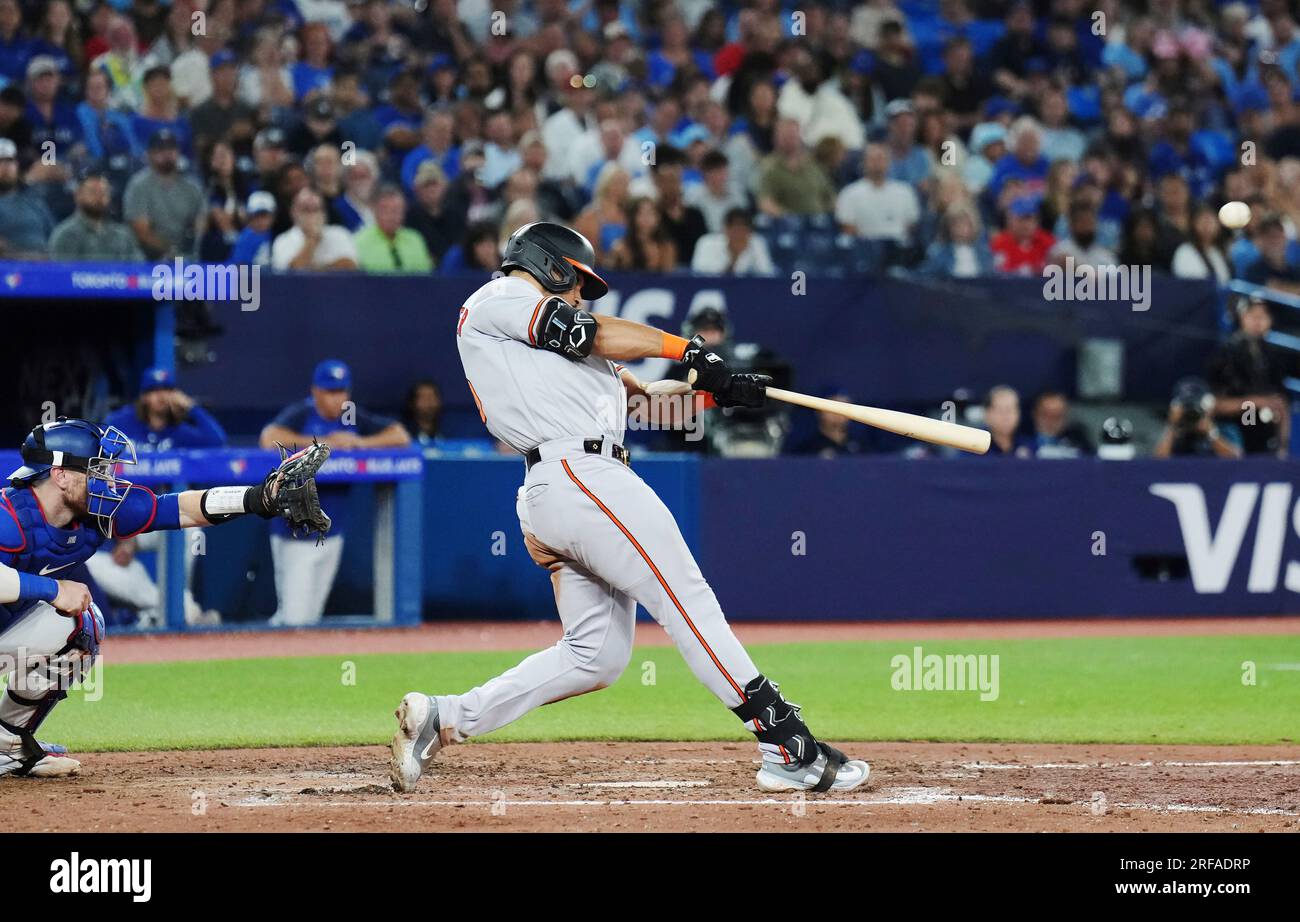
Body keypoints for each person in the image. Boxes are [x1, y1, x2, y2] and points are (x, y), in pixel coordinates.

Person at [390, 221, 869, 795]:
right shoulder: (503, 299)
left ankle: (444, 718)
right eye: (576, 284)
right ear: (550, 265)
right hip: (579, 476)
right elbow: (587, 331)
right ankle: (786, 743)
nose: (578, 296)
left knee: (596, 656)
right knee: (684, 596)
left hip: (572, 483)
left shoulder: (557, 353)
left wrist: (720, 390)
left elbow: (645, 400)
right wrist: (689, 349)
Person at [0, 418, 327, 777]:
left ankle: (7, 742)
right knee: (67, 607)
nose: (107, 480)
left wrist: (256, 498)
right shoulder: (9, 516)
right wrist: (54, 589)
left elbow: (179, 509)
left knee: (83, 626)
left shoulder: (95, 513)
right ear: (60, 475)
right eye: (96, 469)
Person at [260, 360, 410, 625]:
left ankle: (284, 659)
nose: (336, 398)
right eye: (330, 392)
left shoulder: (351, 415)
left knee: (309, 617)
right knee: (295, 618)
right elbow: (269, 437)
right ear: (316, 391)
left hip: (333, 532)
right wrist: (322, 445)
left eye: (341, 391)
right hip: (294, 533)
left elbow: (400, 436)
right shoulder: (303, 413)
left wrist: (359, 442)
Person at [1206, 297, 1292, 456]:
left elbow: (1282, 402)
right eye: (1253, 315)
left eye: (1263, 316)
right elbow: (1212, 404)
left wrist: (1283, 446)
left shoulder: (1272, 355)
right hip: (1233, 432)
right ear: (1241, 317)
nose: (1258, 321)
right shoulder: (1226, 353)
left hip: (1265, 435)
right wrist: (1255, 402)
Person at [122, 128, 205, 261]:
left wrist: (189, 246)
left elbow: (201, 222)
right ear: (149, 154)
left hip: (185, 252)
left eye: (171, 149)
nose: (167, 154)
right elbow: (141, 230)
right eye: (160, 150)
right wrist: (170, 251)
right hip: (148, 255)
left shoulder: (192, 186)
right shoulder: (138, 185)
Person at [102, 366, 227, 452]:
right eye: (154, 391)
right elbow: (100, 443)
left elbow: (217, 441)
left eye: (166, 390)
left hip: (162, 491)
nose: (161, 396)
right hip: (126, 489)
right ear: (144, 397)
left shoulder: (179, 431)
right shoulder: (122, 421)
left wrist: (192, 407)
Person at [48, 173, 140, 261]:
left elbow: (139, 269)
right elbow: (61, 273)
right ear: (78, 195)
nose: (99, 196)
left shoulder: (123, 235)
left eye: (104, 191)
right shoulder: (66, 235)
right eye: (93, 191)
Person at [271, 187, 358, 270]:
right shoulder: (283, 240)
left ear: (324, 213)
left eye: (316, 209)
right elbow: (290, 274)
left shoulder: (339, 233)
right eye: (306, 209)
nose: (312, 215)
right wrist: (312, 239)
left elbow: (350, 265)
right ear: (294, 212)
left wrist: (314, 269)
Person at [353, 183, 433, 273]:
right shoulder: (358, 241)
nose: (391, 215)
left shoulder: (415, 239)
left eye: (396, 210)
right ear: (374, 210)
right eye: (385, 209)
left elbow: (426, 277)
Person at [1153, 378, 1242, 458]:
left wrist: (1211, 434)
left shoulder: (1225, 428)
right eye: (1186, 406)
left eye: (1196, 405)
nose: (1191, 412)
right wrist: (1172, 427)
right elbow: (1157, 463)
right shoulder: (1173, 434)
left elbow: (1236, 462)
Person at [0, 137, 54, 257]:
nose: (5, 167)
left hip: (44, 264)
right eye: (0, 162)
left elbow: (53, 234)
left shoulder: (34, 200)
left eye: (9, 161)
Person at [690, 207, 775, 276]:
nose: (739, 234)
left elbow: (767, 276)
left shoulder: (757, 243)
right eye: (736, 229)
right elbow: (699, 277)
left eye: (743, 229)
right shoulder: (707, 243)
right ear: (726, 229)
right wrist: (734, 258)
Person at [790, 389, 867, 457]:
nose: (838, 412)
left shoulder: (861, 446)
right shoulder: (808, 449)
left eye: (844, 407)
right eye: (832, 407)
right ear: (818, 411)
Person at [1029, 391, 1093, 458]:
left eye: (1057, 416)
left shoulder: (1079, 442)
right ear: (1035, 414)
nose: (1051, 421)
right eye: (1046, 415)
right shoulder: (1020, 442)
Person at [982, 385, 1034, 457]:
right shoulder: (974, 447)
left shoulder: (1030, 446)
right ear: (987, 414)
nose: (1005, 417)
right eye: (1000, 410)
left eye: (1010, 410)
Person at [403, 379, 443, 447]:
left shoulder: (451, 429)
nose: (429, 403)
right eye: (423, 398)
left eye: (432, 397)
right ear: (412, 403)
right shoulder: (404, 431)